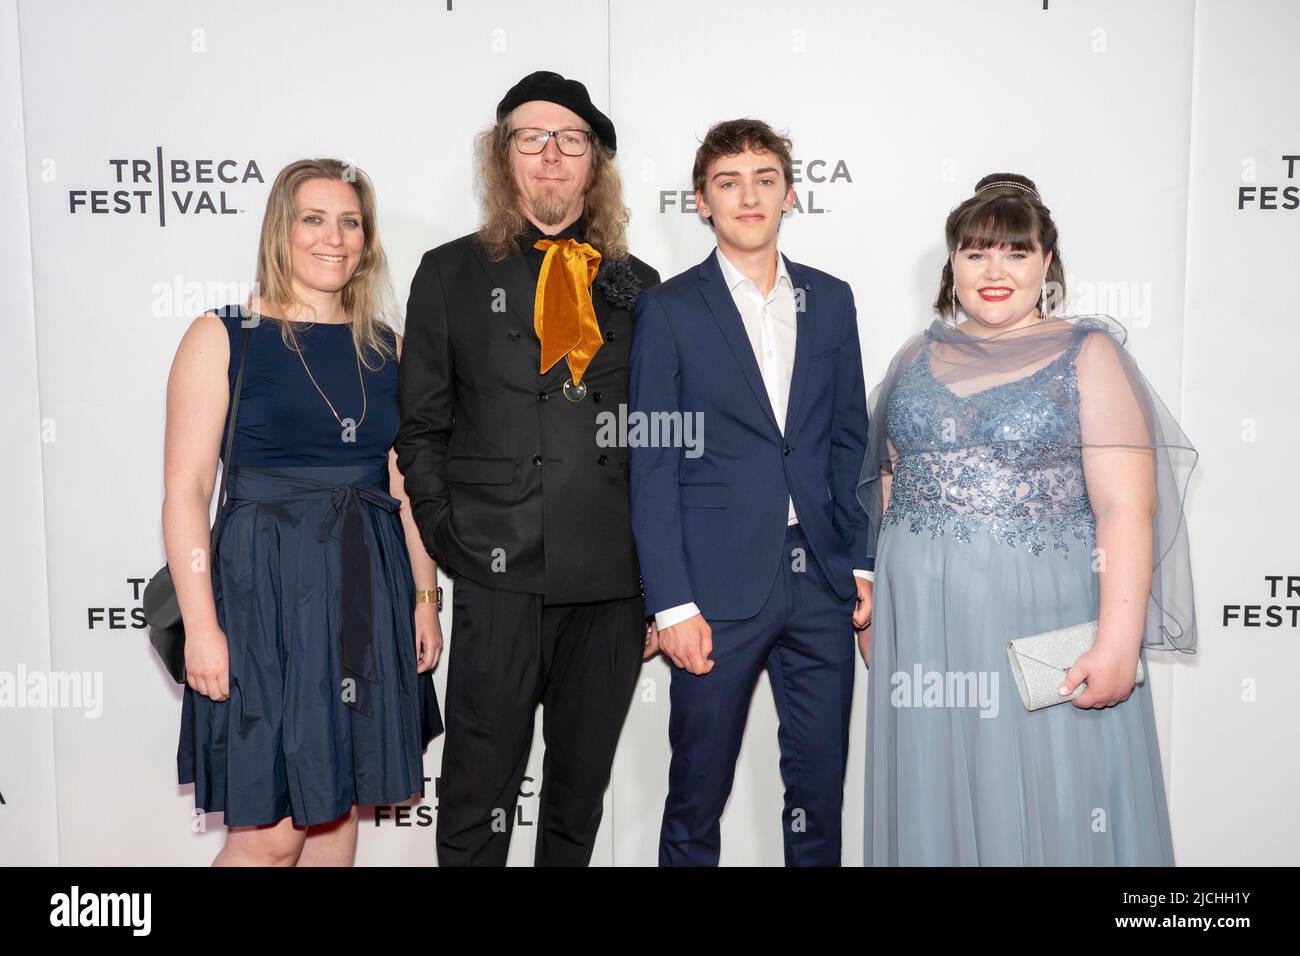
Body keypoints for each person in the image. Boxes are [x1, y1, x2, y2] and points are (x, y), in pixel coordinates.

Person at [856, 173, 1198, 866]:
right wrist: (881, 607)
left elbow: (1126, 506)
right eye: (976, 252)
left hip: (1042, 617)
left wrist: (1118, 642)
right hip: (923, 626)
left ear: (1047, 264)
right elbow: (889, 478)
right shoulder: (915, 358)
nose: (994, 270)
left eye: (1015, 252)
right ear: (952, 265)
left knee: (1058, 796)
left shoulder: (1087, 354)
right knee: (935, 791)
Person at [395, 71, 661, 866]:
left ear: (594, 164)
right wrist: (451, 535)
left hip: (611, 583)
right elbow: (422, 427)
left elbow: (657, 441)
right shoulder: (447, 272)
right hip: (498, 569)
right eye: (531, 138)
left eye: (570, 140)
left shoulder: (640, 285)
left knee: (577, 803)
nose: (551, 155)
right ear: (503, 157)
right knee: (477, 798)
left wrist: (659, 580)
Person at [167, 158, 443, 866]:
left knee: (336, 812)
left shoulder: (388, 349)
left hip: (365, 595)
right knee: (268, 836)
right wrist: (202, 627)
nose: (335, 237)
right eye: (313, 219)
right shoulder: (224, 336)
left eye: (350, 221)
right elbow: (188, 489)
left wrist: (422, 598)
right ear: (280, 232)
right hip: (263, 599)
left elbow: (402, 487)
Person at [630, 119, 873, 866]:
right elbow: (652, 462)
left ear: (789, 194)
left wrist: (859, 565)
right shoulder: (670, 309)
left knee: (819, 799)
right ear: (701, 201)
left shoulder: (830, 301)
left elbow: (847, 443)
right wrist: (670, 603)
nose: (748, 195)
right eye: (728, 182)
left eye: (764, 179)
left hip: (822, 584)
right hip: (713, 591)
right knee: (695, 800)